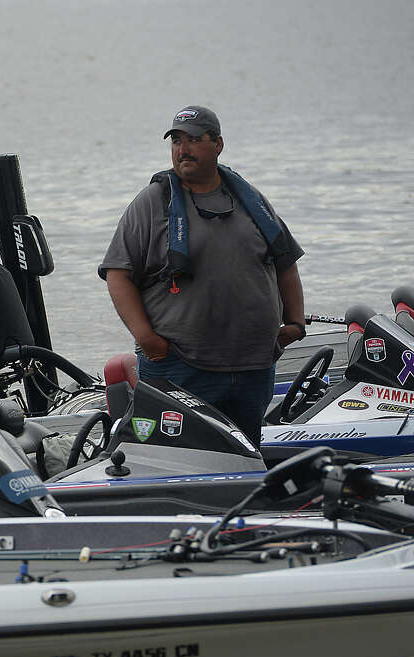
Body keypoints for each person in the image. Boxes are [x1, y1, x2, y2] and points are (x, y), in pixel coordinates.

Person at [98, 105, 306, 446]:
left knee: (246, 458)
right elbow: (118, 273)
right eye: (176, 141)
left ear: (218, 144)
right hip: (180, 365)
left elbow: (285, 263)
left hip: (253, 366)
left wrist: (294, 323)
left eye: (193, 140)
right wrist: (146, 337)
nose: (183, 149)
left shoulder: (251, 200)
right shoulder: (153, 202)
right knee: (174, 460)